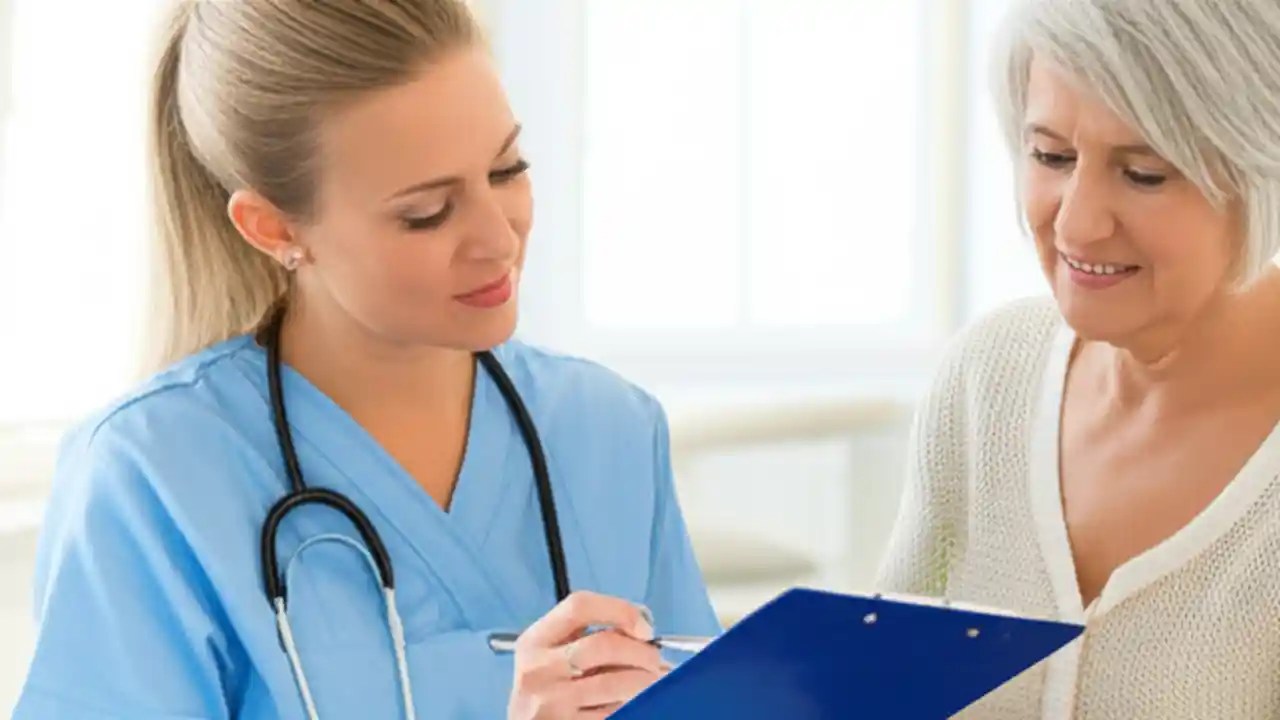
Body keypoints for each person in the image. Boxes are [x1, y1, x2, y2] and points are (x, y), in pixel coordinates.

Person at [13, 1, 719, 718]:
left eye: (507, 169)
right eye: (427, 213)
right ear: (275, 226)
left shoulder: (610, 430)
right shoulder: (154, 475)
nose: (497, 241)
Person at [877, 0, 1280, 717]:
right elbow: (874, 688)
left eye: (1145, 173)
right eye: (1051, 157)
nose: (1075, 223)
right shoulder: (989, 376)